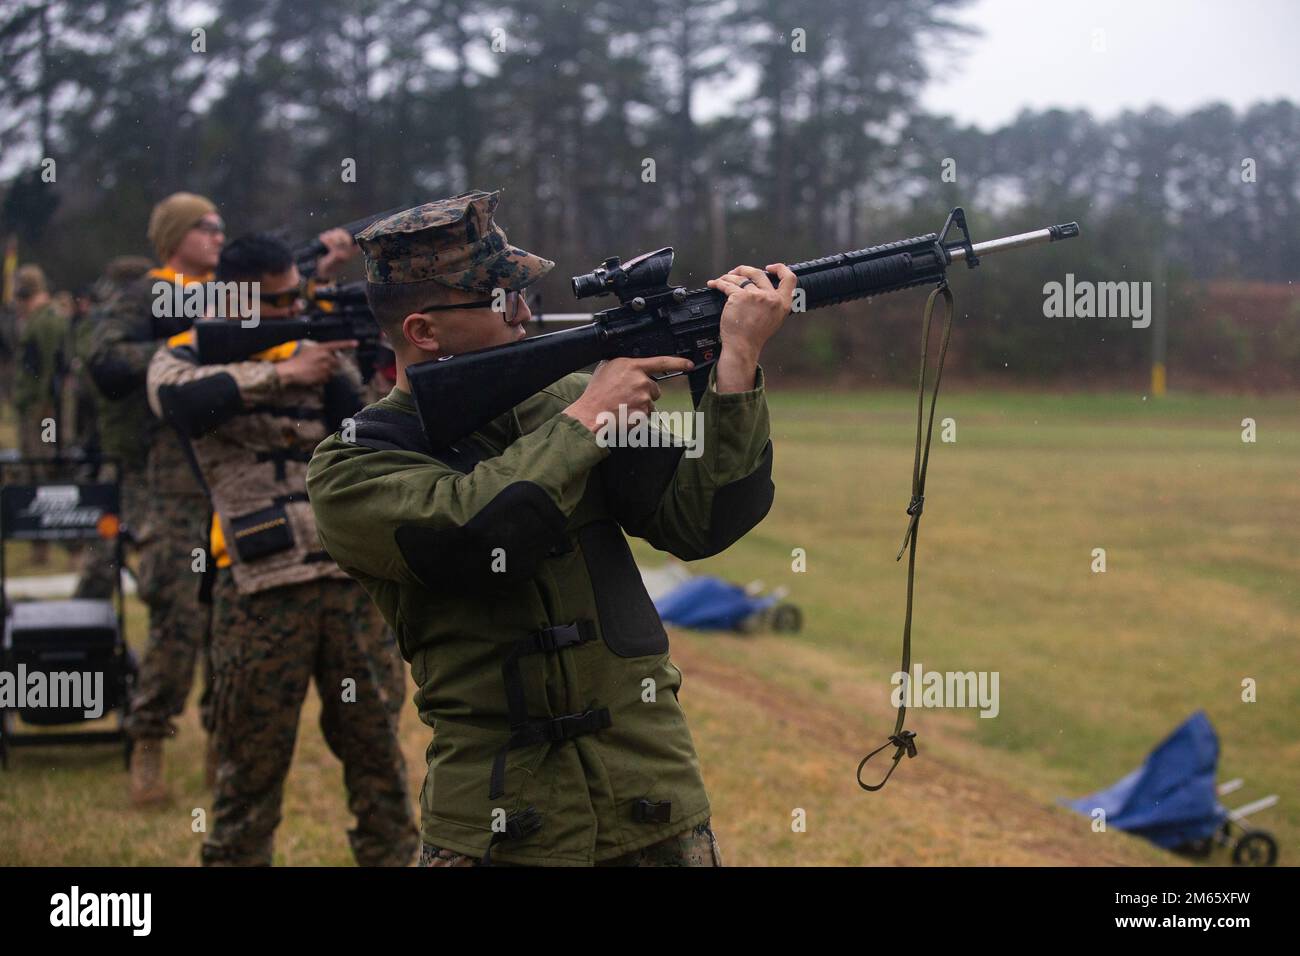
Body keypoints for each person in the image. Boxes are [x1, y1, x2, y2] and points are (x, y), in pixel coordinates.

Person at [307, 189, 795, 866]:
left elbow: (701, 522)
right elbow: (476, 537)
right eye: (501, 297)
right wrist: (585, 422)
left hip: (649, 800)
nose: (525, 311)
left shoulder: (567, 403)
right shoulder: (352, 464)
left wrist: (735, 366)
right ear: (422, 331)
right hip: (497, 826)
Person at [146, 233, 416, 866]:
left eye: (296, 299)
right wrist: (280, 374)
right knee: (249, 770)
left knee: (378, 758)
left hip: (350, 582)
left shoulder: (322, 357)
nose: (292, 312)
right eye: (275, 303)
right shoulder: (184, 357)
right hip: (258, 590)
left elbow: (373, 440)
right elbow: (182, 404)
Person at [87, 192, 226, 804]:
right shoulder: (147, 292)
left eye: (222, 226)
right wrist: (180, 353)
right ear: (175, 235)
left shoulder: (232, 291)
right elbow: (105, 358)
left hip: (232, 474)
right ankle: (149, 744)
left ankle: (225, 755)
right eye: (206, 227)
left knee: (232, 620)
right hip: (171, 480)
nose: (219, 236)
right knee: (176, 614)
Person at [11, 264, 70, 566]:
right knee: (34, 473)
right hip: (36, 409)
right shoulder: (38, 319)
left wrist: (44, 412)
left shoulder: (46, 321)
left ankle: (70, 547)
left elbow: (48, 369)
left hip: (42, 414)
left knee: (46, 471)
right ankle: (41, 548)